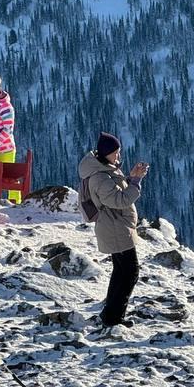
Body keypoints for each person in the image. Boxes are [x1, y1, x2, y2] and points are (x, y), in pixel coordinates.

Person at [78, 132, 148, 328]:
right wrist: (135, 182)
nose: (118, 156)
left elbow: (114, 192)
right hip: (115, 227)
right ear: (105, 153)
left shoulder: (102, 170)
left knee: (121, 271)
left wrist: (131, 177)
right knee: (130, 272)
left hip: (115, 226)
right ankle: (114, 318)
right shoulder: (100, 176)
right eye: (115, 153)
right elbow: (119, 200)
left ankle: (110, 313)